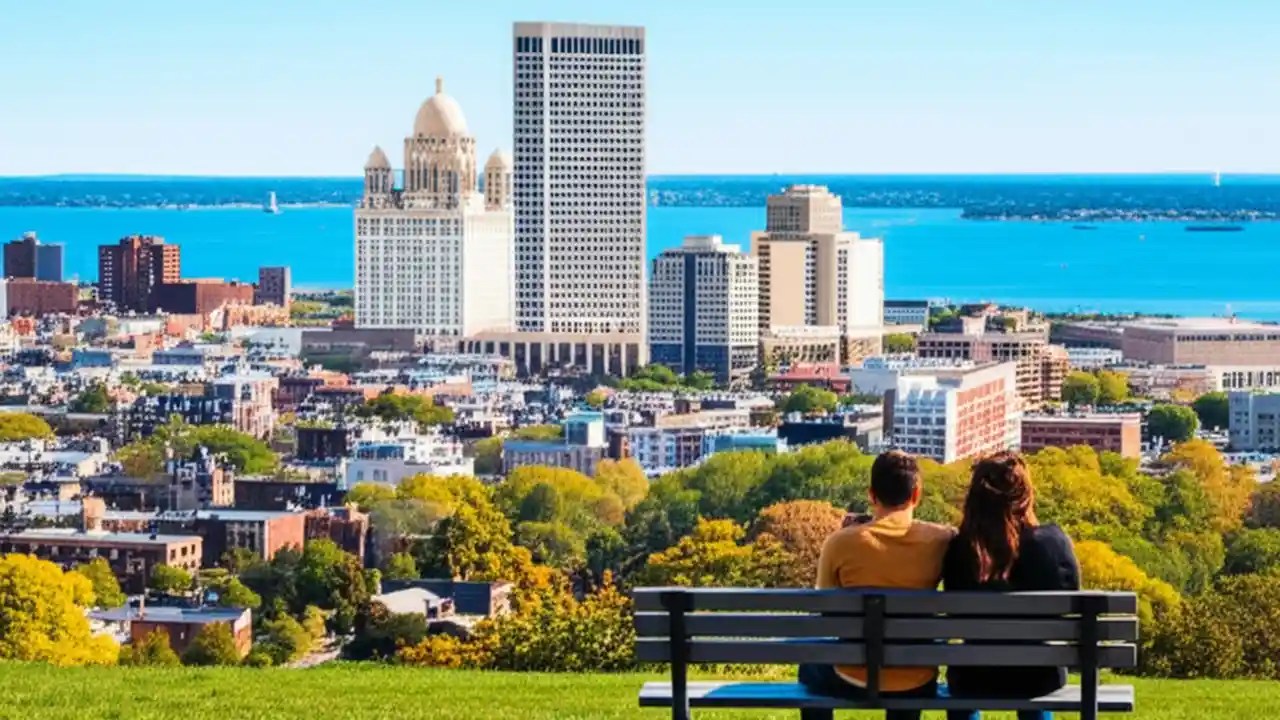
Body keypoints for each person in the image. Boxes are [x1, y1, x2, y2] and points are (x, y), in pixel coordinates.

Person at [800, 450, 956, 720]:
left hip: (851, 677)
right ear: (916, 494)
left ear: (871, 495)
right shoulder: (943, 540)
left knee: (810, 666)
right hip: (916, 679)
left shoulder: (840, 543)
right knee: (907, 674)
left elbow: (824, 610)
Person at [942, 451, 1081, 720]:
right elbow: (1070, 597)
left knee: (964, 683)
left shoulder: (960, 549)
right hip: (1039, 675)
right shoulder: (1051, 543)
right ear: (1025, 495)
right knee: (1034, 673)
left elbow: (953, 609)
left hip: (973, 675)